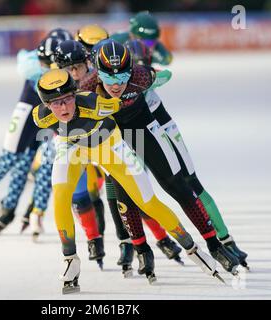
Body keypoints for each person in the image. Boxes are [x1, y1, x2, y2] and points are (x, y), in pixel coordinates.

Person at [32, 69, 225, 293]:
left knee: (147, 202)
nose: (63, 108)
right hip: (73, 146)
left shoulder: (96, 104)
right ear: (46, 104)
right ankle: (70, 260)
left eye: (67, 100)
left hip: (108, 147)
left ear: (75, 95)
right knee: (61, 197)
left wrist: (147, 79)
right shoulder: (40, 116)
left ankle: (192, 248)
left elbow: (126, 101)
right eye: (55, 103)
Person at [79, 40, 241, 274]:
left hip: (142, 124)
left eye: (122, 79)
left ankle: (214, 245)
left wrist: (160, 75)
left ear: (131, 72)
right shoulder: (87, 86)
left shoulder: (142, 76)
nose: (116, 86)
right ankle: (142, 250)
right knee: (124, 192)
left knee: (177, 184)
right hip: (114, 134)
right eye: (110, 79)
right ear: (97, 73)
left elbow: (165, 74)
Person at [55, 39, 184, 273]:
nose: (74, 72)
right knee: (86, 194)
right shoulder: (64, 87)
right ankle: (98, 240)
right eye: (68, 69)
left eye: (78, 67)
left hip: (110, 138)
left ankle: (151, 240)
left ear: (89, 63)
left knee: (127, 190)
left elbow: (157, 73)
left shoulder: (95, 78)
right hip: (79, 141)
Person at [125, 37, 250, 269]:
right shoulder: (114, 75)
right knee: (135, 191)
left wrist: (150, 72)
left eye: (135, 69)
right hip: (135, 136)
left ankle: (225, 241)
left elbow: (166, 70)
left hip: (162, 130)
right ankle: (148, 241)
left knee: (190, 183)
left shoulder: (140, 74)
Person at [0, 34, 63, 240]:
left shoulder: (59, 71)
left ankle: (35, 211)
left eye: (49, 66)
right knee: (18, 157)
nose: (45, 69)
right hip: (32, 105)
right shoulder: (31, 71)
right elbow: (9, 154)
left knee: (48, 159)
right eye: (42, 65)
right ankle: (9, 206)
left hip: (54, 107)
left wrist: (39, 210)